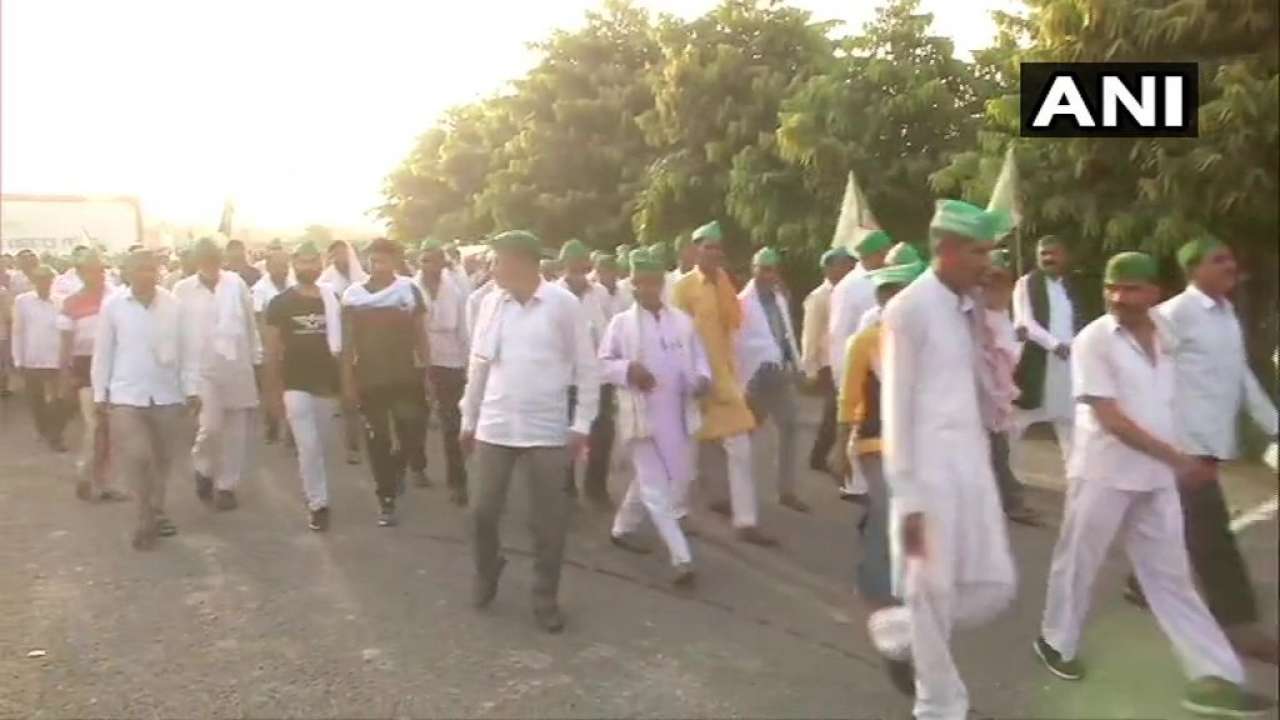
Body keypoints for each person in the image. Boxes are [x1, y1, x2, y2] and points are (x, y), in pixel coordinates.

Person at [1035, 251, 1270, 718]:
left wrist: (1194, 449)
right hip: (1104, 472)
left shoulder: (1168, 336)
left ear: (1154, 293)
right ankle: (1054, 641)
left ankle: (1214, 677)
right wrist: (1179, 459)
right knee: (1079, 561)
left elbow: (1180, 399)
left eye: (1132, 288)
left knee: (1171, 578)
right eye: (1112, 287)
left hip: (1157, 478)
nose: (1120, 297)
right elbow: (1110, 418)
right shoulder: (1093, 340)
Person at [879, 200, 1017, 718]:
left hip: (972, 468)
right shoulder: (908, 309)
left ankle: (902, 635)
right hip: (926, 478)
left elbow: (997, 391)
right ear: (949, 249)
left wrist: (996, 312)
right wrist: (908, 497)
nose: (988, 262)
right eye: (979, 251)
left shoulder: (970, 308)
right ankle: (937, 705)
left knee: (995, 585)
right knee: (929, 590)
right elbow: (896, 408)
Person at [1123, 238, 1279, 665]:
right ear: (1194, 270)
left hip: (1211, 442)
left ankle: (1141, 580)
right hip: (1183, 444)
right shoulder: (1175, 314)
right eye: (1219, 260)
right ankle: (1240, 625)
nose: (1231, 265)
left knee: (1181, 521)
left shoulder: (1227, 316)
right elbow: (1140, 366)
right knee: (1214, 537)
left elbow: (1241, 376)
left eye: (1231, 257)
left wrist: (1275, 428)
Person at [461, 229, 599, 633]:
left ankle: (545, 598)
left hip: (547, 430)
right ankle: (489, 568)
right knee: (482, 512)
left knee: (548, 523)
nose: (491, 267)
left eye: (497, 259)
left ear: (522, 262)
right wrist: (468, 419)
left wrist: (581, 425)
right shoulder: (490, 303)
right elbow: (479, 365)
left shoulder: (563, 305)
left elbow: (588, 369)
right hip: (495, 423)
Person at [601, 248, 707, 585]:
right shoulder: (621, 325)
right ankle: (682, 558)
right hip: (642, 418)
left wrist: (703, 380)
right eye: (639, 282)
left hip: (678, 416)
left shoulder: (682, 322)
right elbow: (601, 364)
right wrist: (628, 369)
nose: (646, 288)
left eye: (652, 282)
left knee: (674, 481)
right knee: (655, 489)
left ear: (661, 283)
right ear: (632, 284)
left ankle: (622, 528)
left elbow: (699, 360)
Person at [672, 221, 775, 546]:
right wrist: (687, 379)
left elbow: (735, 328)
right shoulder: (684, 287)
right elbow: (675, 338)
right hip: (694, 382)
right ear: (694, 250)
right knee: (685, 452)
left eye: (717, 248)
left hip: (725, 382)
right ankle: (677, 513)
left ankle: (745, 522)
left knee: (741, 448)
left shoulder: (726, 283)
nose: (713, 253)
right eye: (707, 247)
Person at [836, 257, 926, 629]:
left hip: (917, 444)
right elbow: (848, 397)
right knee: (887, 510)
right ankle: (876, 586)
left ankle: (903, 575)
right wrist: (839, 446)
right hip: (875, 443)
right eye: (891, 295)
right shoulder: (865, 342)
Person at [92, 250, 190, 549]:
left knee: (162, 459)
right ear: (127, 272)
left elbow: (188, 350)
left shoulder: (174, 305)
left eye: (151, 269)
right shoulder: (114, 306)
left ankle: (157, 511)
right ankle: (142, 517)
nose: (147, 274)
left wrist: (192, 388)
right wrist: (99, 393)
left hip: (167, 392)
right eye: (140, 269)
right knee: (138, 456)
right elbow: (103, 352)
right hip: (126, 395)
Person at [341, 237, 430, 527]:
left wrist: (427, 372)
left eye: (382, 259)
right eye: (372, 260)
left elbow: (421, 335)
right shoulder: (354, 296)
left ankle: (398, 468)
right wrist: (347, 382)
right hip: (370, 378)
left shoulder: (408, 291)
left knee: (410, 433)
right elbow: (347, 342)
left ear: (395, 261)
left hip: (405, 377)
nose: (376, 265)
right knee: (377, 439)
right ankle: (386, 498)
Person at [174, 238, 262, 512]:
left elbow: (249, 324)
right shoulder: (182, 289)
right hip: (202, 370)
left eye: (215, 256)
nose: (211, 262)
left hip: (236, 365)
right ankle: (203, 468)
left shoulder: (236, 284)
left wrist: (256, 356)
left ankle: (227, 486)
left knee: (236, 432)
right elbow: (176, 332)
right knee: (210, 427)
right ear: (197, 260)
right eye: (206, 257)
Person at [263, 242, 344, 532]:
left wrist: (347, 388)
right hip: (294, 384)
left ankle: (315, 491)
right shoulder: (280, 303)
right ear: (294, 264)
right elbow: (271, 350)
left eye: (313, 261)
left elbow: (344, 347)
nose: (308, 267)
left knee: (320, 445)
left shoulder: (331, 299)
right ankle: (318, 503)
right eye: (303, 262)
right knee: (308, 446)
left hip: (326, 384)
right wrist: (271, 394)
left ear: (321, 264)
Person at [737, 247, 806, 512]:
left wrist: (796, 363)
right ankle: (737, 493)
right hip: (756, 378)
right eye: (764, 269)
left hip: (780, 374)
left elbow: (786, 334)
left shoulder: (779, 298)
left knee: (790, 427)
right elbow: (739, 343)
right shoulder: (742, 302)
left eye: (773, 269)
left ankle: (787, 491)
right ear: (753, 269)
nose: (769, 275)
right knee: (744, 437)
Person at [829, 229, 893, 500]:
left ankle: (863, 485)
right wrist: (841, 372)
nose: (887, 257)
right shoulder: (849, 286)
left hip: (878, 364)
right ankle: (854, 485)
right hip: (856, 364)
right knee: (858, 425)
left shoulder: (882, 280)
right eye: (883, 252)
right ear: (873, 254)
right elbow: (839, 332)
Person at [58, 250, 126, 501]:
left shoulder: (116, 298)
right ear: (80, 272)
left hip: (116, 368)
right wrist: (65, 374)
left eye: (99, 269)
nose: (95, 274)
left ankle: (105, 482)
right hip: (85, 369)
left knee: (112, 430)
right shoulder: (71, 303)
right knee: (95, 426)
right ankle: (85, 474)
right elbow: (65, 342)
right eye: (89, 270)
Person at [982, 250, 1041, 525]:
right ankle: (1011, 502)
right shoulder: (980, 319)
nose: (1001, 295)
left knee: (997, 450)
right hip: (985, 395)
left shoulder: (1001, 315)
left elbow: (1011, 355)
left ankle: (1006, 499)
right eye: (994, 288)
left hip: (1000, 394)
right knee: (996, 450)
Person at [1011, 235, 1078, 470]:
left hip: (1068, 365)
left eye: (1053, 253)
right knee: (1017, 424)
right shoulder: (1026, 283)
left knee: (1070, 423)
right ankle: (1006, 477)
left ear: (1065, 256)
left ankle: (1075, 478)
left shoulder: (1071, 286)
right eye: (1043, 254)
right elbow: (1026, 322)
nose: (1048, 258)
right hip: (1038, 363)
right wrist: (1054, 344)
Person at [557, 239, 615, 507]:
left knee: (602, 435)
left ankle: (596, 488)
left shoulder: (600, 293)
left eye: (582, 264)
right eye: (572, 264)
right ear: (564, 265)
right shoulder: (553, 295)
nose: (578, 269)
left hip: (597, 376)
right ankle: (565, 488)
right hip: (565, 379)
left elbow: (610, 332)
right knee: (565, 435)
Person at [416, 238, 471, 506]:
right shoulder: (409, 290)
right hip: (417, 360)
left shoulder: (456, 290)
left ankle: (457, 481)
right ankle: (417, 465)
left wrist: (466, 364)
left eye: (434, 259)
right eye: (424, 260)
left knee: (452, 422)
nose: (429, 265)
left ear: (442, 262)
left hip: (450, 361)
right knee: (415, 419)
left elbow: (463, 330)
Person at [802, 247, 856, 475]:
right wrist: (810, 367)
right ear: (829, 268)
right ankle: (820, 457)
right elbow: (811, 334)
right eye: (843, 264)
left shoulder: (847, 292)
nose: (848, 268)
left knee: (835, 413)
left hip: (841, 359)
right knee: (833, 413)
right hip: (826, 363)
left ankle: (822, 456)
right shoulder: (819, 297)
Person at [12, 264, 68, 450]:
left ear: (52, 281)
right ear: (34, 281)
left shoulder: (61, 301)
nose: (45, 283)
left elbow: (66, 330)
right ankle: (42, 429)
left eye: (48, 279)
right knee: (36, 399)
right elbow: (18, 331)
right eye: (41, 279)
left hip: (56, 358)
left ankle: (55, 435)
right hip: (32, 358)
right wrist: (18, 359)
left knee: (58, 399)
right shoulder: (23, 301)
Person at [252, 242, 294, 445]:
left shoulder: (294, 283)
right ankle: (273, 424)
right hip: (269, 344)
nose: (282, 269)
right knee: (272, 388)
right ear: (268, 267)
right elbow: (259, 319)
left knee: (292, 388)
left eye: (285, 265)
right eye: (278, 265)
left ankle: (293, 431)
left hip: (293, 344)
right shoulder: (260, 289)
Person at [593, 253, 633, 318]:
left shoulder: (625, 291)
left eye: (612, 270)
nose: (610, 275)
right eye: (603, 272)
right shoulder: (593, 295)